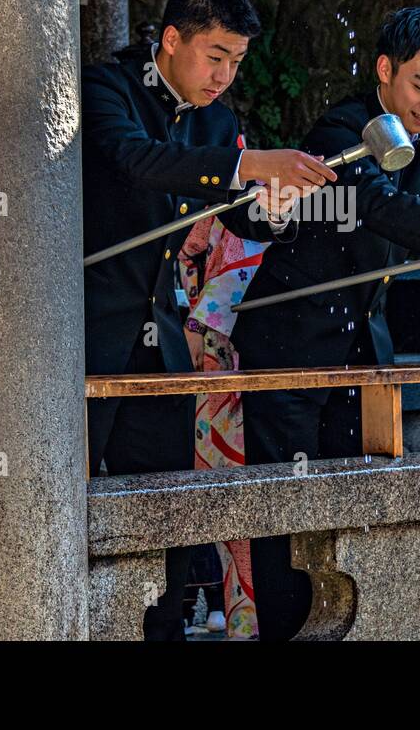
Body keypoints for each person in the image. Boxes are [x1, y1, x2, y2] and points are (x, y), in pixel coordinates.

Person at [232, 6, 420, 641]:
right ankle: (288, 632)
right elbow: (380, 207)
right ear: (384, 70)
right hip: (288, 337)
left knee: (355, 489)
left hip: (361, 343)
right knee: (286, 503)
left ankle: (350, 627)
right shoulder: (343, 126)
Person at [80, 0, 337, 640]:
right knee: (71, 493)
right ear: (171, 39)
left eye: (236, 62)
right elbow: (137, 161)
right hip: (86, 332)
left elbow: (241, 216)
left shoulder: (221, 120)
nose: (224, 76)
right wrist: (249, 167)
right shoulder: (108, 87)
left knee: (168, 503)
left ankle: (163, 624)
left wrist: (277, 209)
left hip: (165, 339)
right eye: (214, 56)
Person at [177, 215, 268, 638]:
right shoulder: (255, 192)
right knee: (225, 491)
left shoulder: (238, 197)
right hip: (223, 350)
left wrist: (196, 316)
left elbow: (188, 253)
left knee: (230, 490)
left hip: (221, 350)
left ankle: (239, 614)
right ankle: (235, 613)